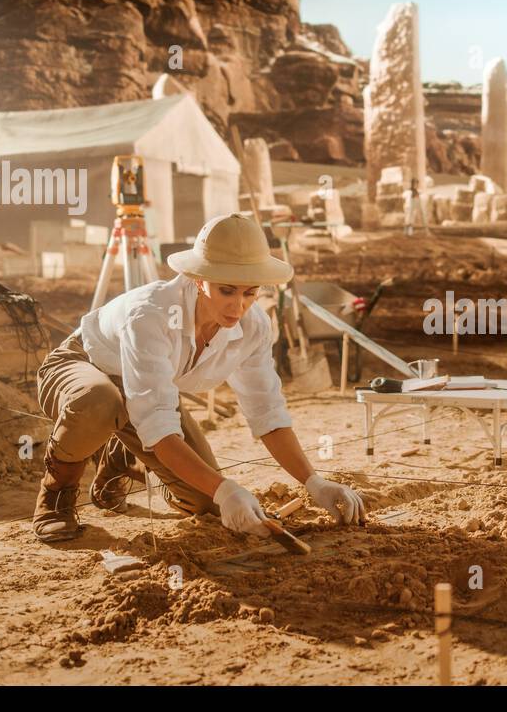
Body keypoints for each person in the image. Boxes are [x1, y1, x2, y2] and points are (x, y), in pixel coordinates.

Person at [31, 213, 365, 543]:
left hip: (145, 389)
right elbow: (160, 428)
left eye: (250, 293)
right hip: (85, 365)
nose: (238, 307)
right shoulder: (151, 314)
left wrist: (313, 482)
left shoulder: (254, 326)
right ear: (197, 279)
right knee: (100, 401)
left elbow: (266, 411)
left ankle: (119, 455)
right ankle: (55, 497)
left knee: (205, 502)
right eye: (227, 291)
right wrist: (227, 489)